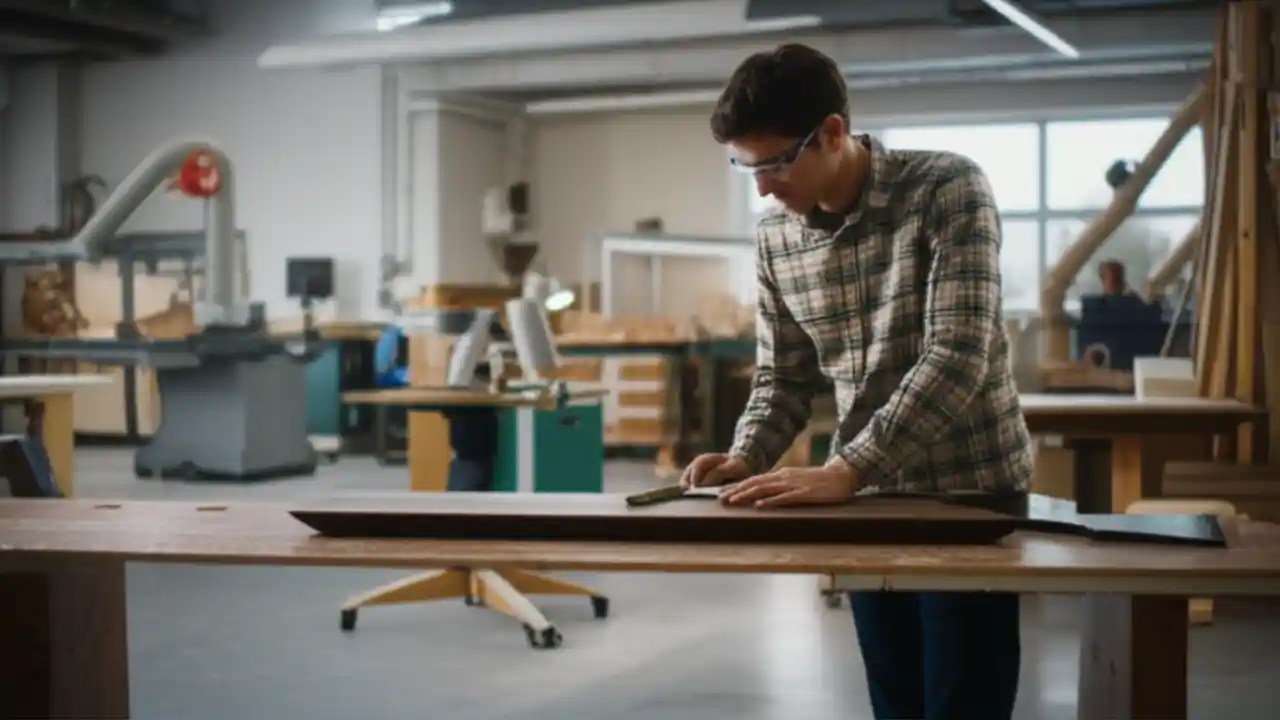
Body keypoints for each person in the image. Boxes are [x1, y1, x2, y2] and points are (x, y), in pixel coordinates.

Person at [681, 43, 1034, 720]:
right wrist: (746, 453)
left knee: (964, 702)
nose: (761, 186)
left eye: (775, 162)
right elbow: (783, 375)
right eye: (745, 167)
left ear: (833, 133)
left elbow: (958, 353)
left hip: (969, 492)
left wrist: (848, 466)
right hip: (866, 500)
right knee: (895, 701)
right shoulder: (775, 238)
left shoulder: (947, 190)